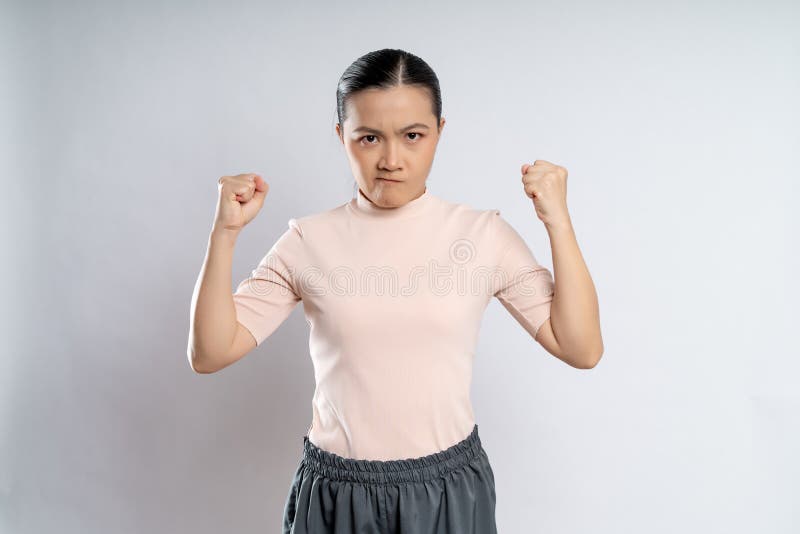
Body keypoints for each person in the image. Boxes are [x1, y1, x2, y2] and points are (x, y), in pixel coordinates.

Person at [187, 48, 603, 534]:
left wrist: (558, 222)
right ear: (342, 137)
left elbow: (582, 348)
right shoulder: (307, 240)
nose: (391, 160)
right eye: (369, 138)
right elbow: (210, 352)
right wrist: (224, 233)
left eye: (412, 136)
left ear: (439, 133)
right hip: (337, 492)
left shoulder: (481, 235)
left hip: (447, 489)